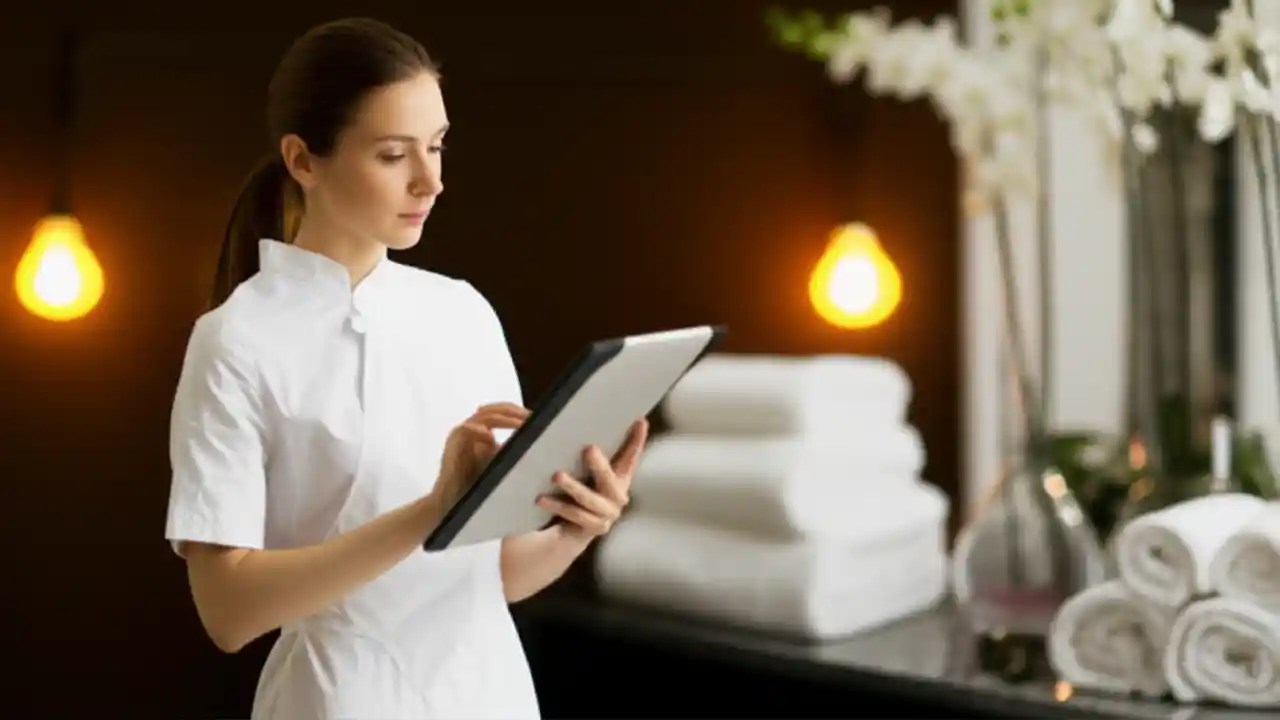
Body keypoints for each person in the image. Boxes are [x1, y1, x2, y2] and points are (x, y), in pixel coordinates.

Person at [163, 17, 648, 720]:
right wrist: (430, 511)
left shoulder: (463, 313)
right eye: (393, 154)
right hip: (340, 698)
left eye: (437, 146)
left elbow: (490, 576)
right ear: (303, 160)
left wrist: (575, 531)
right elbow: (228, 611)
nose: (431, 180)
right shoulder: (237, 341)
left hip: (490, 695)